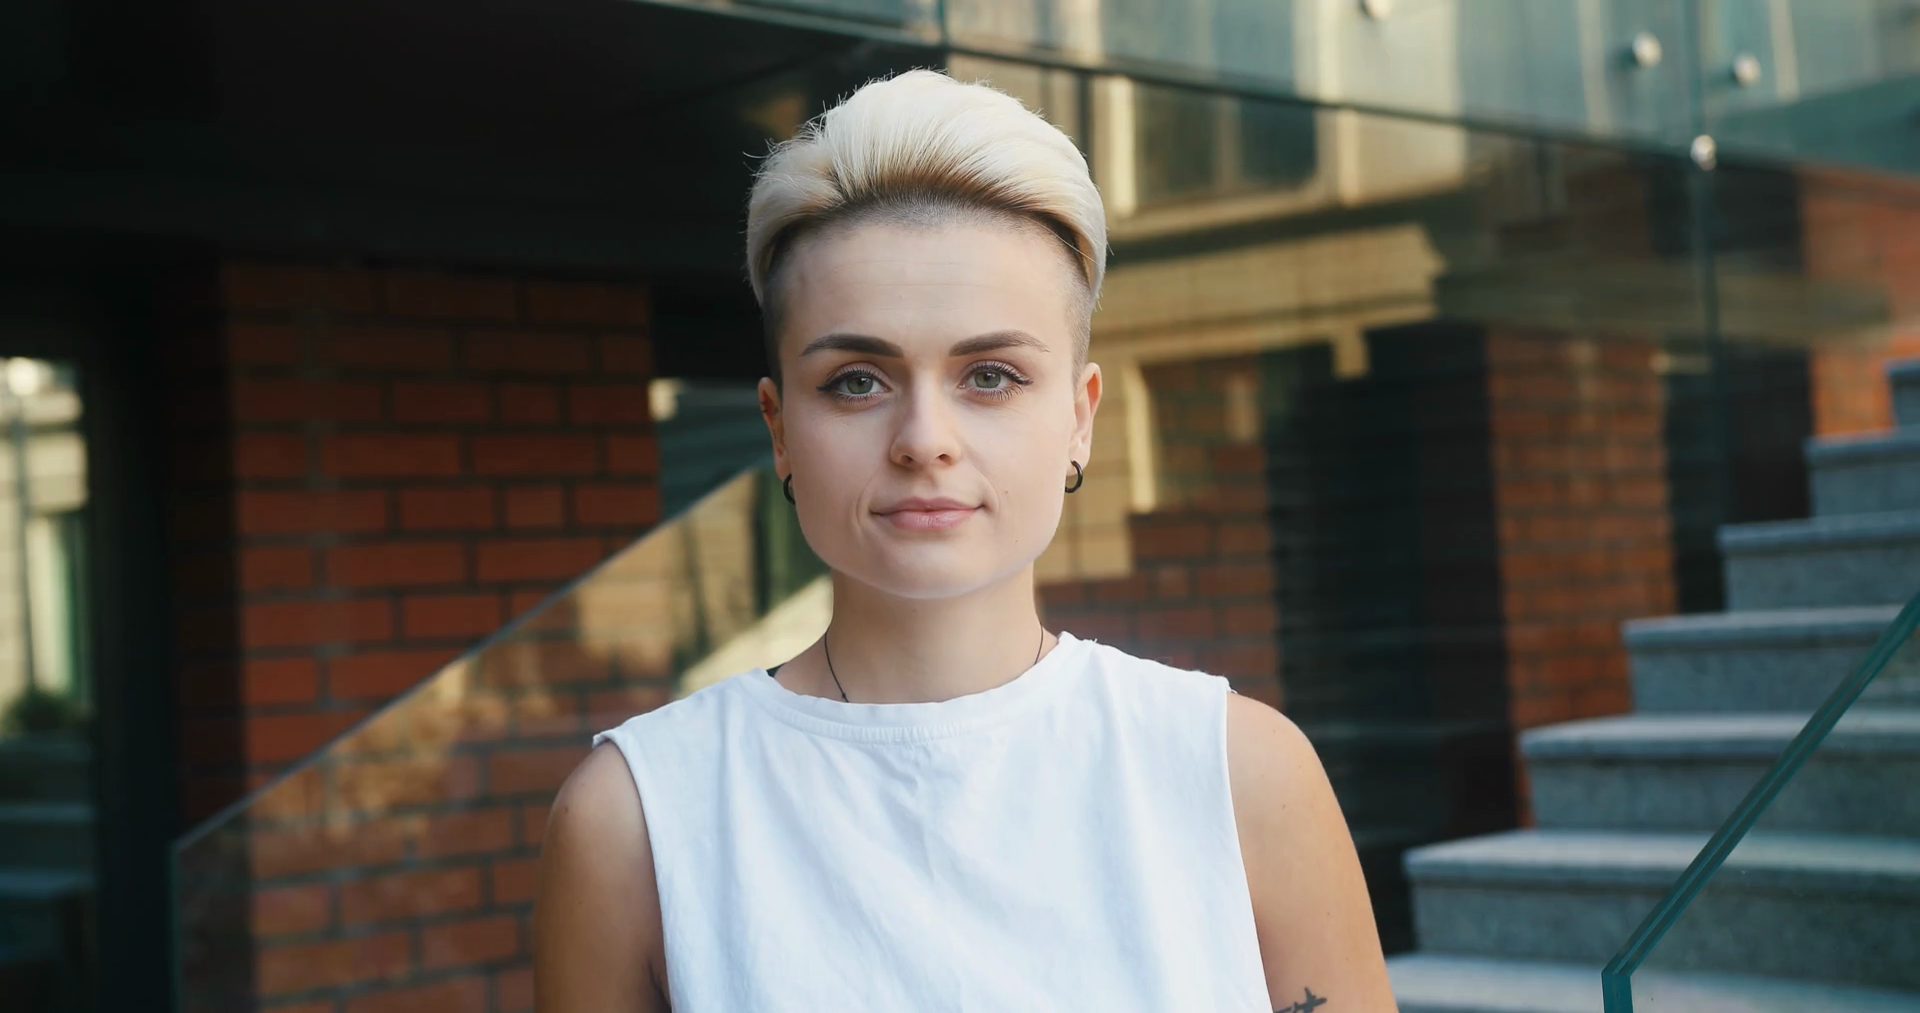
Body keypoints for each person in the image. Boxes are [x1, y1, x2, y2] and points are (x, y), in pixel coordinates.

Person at [534, 68, 1396, 1012]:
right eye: (857, 380)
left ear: (1080, 416)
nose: (924, 439)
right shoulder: (637, 818)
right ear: (780, 429)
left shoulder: (1240, 774)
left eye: (989, 375)